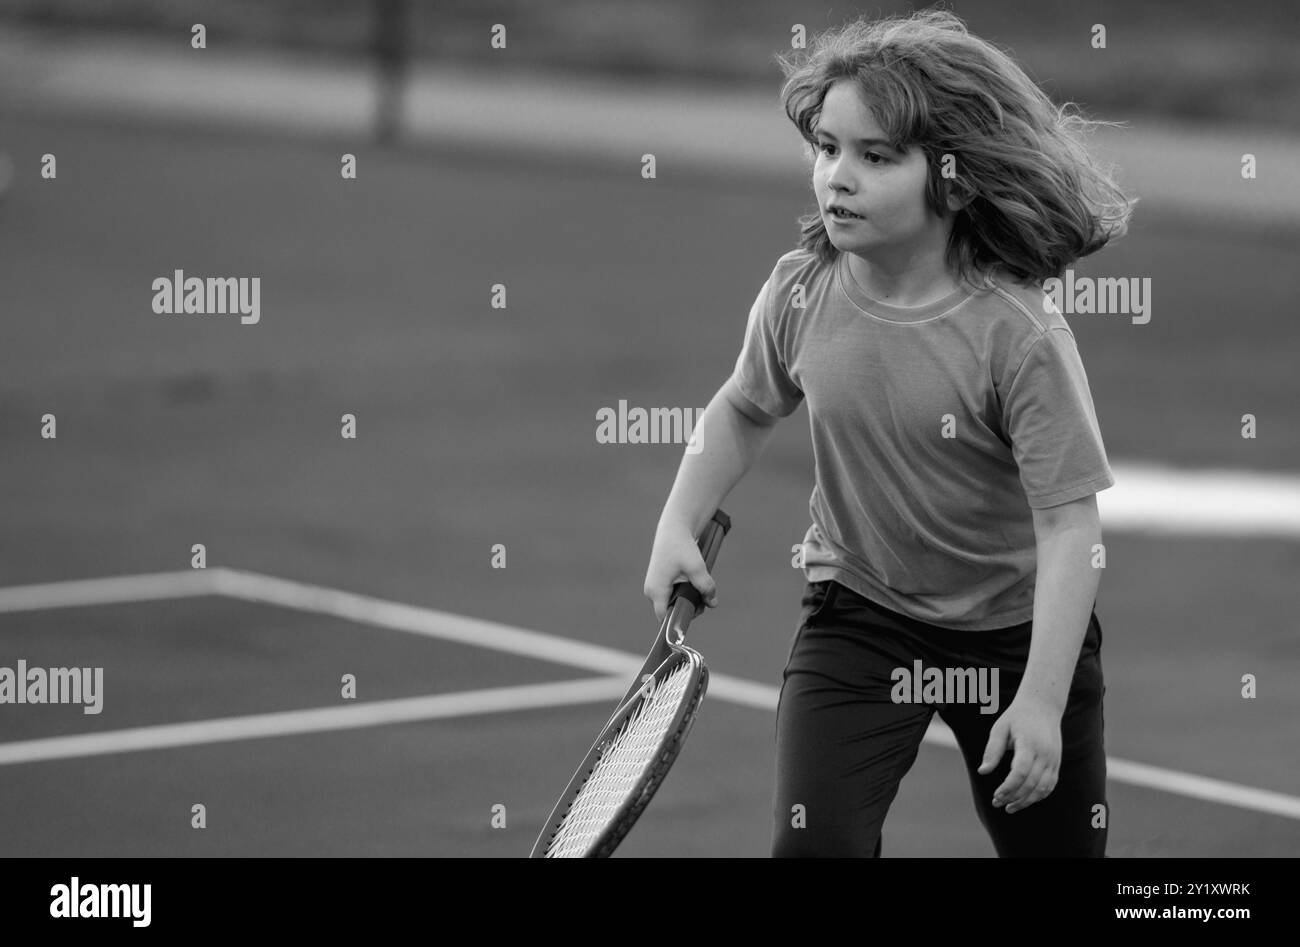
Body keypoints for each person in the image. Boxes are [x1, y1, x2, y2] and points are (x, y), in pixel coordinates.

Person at [642, 9, 1135, 857]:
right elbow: (746, 403)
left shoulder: (1019, 335)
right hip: (860, 615)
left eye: (876, 156)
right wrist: (678, 518)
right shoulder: (801, 292)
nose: (838, 176)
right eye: (827, 148)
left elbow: (1071, 527)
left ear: (954, 177)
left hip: (1017, 634)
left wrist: (1044, 699)